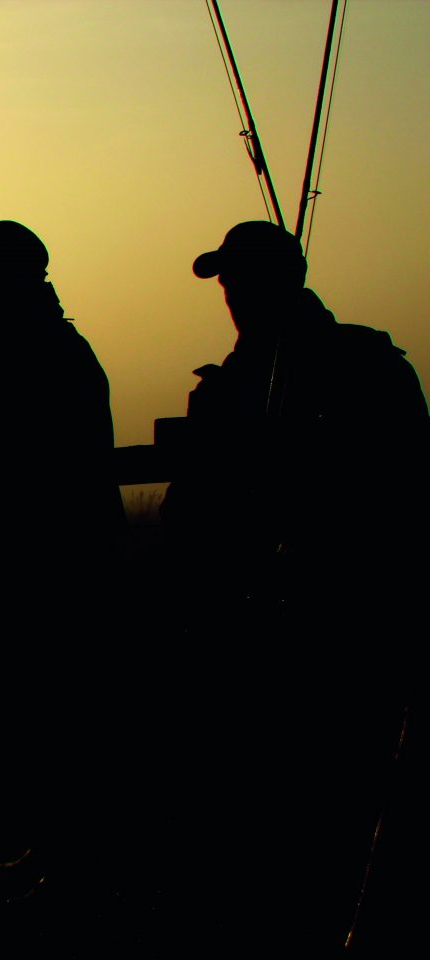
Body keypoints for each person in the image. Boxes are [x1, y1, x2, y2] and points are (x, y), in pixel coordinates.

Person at [160, 220, 428, 951]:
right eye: (226, 283)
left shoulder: (363, 367)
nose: (230, 295)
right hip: (245, 626)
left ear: (280, 281)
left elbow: (400, 498)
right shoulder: (236, 379)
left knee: (338, 795)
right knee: (262, 805)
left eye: (240, 280)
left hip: (340, 625)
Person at [0, 221, 126, 921]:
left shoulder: (40, 354)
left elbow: (30, 462)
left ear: (10, 278)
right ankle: (55, 855)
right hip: (42, 566)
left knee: (59, 716)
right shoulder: (37, 348)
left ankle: (73, 873)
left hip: (52, 573)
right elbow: (14, 453)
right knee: (45, 717)